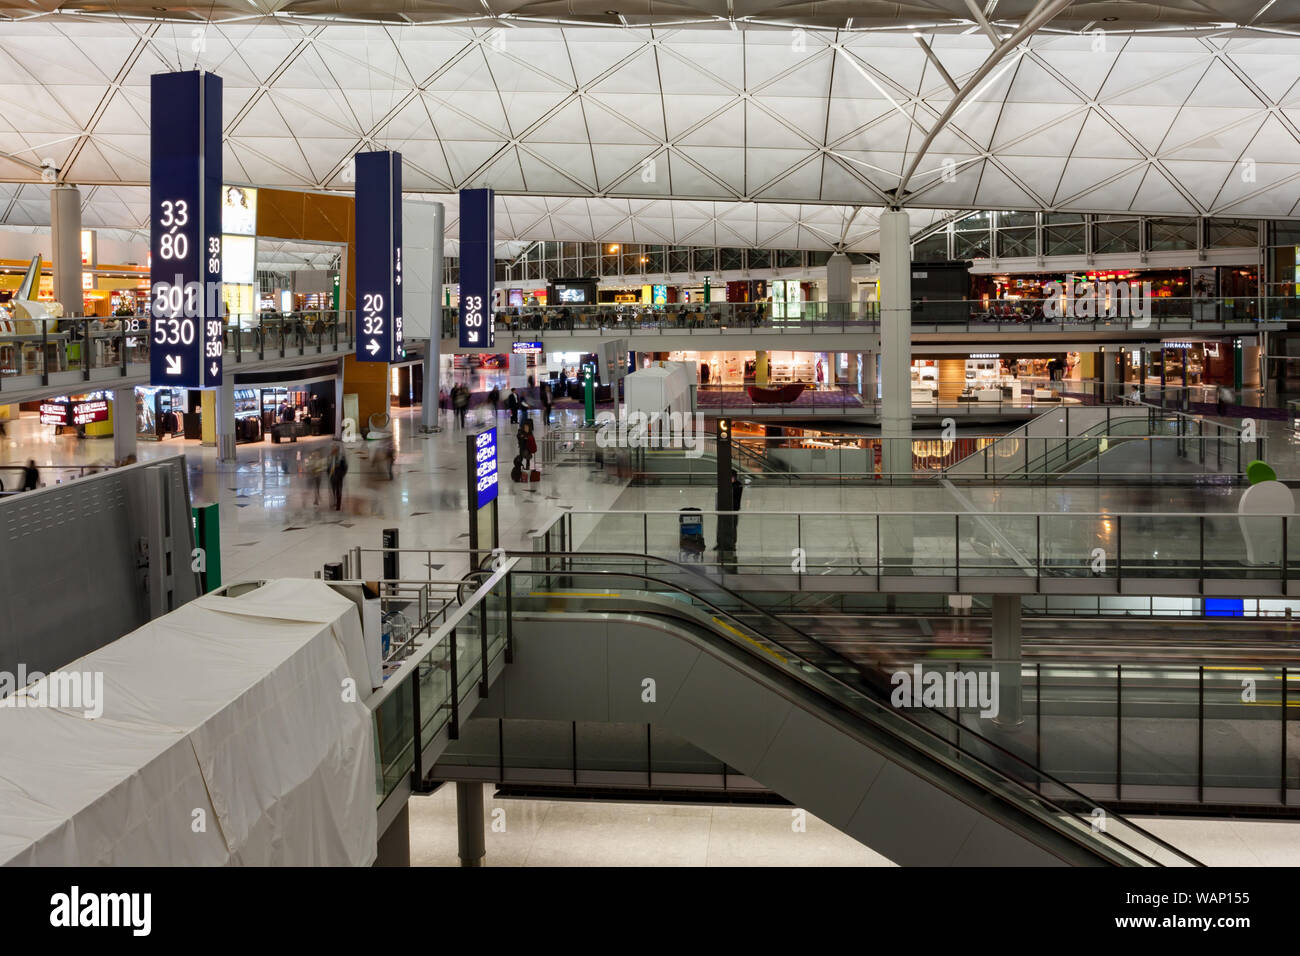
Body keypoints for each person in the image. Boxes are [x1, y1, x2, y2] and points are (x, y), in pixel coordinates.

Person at [328, 444, 348, 511]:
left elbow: (345, 467)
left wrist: (341, 475)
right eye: (332, 449)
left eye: (334, 449)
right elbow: (328, 467)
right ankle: (334, 502)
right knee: (333, 490)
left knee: (338, 491)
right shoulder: (330, 457)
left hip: (339, 477)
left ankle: (338, 506)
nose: (333, 451)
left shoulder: (341, 458)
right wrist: (328, 474)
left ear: (337, 450)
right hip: (332, 477)